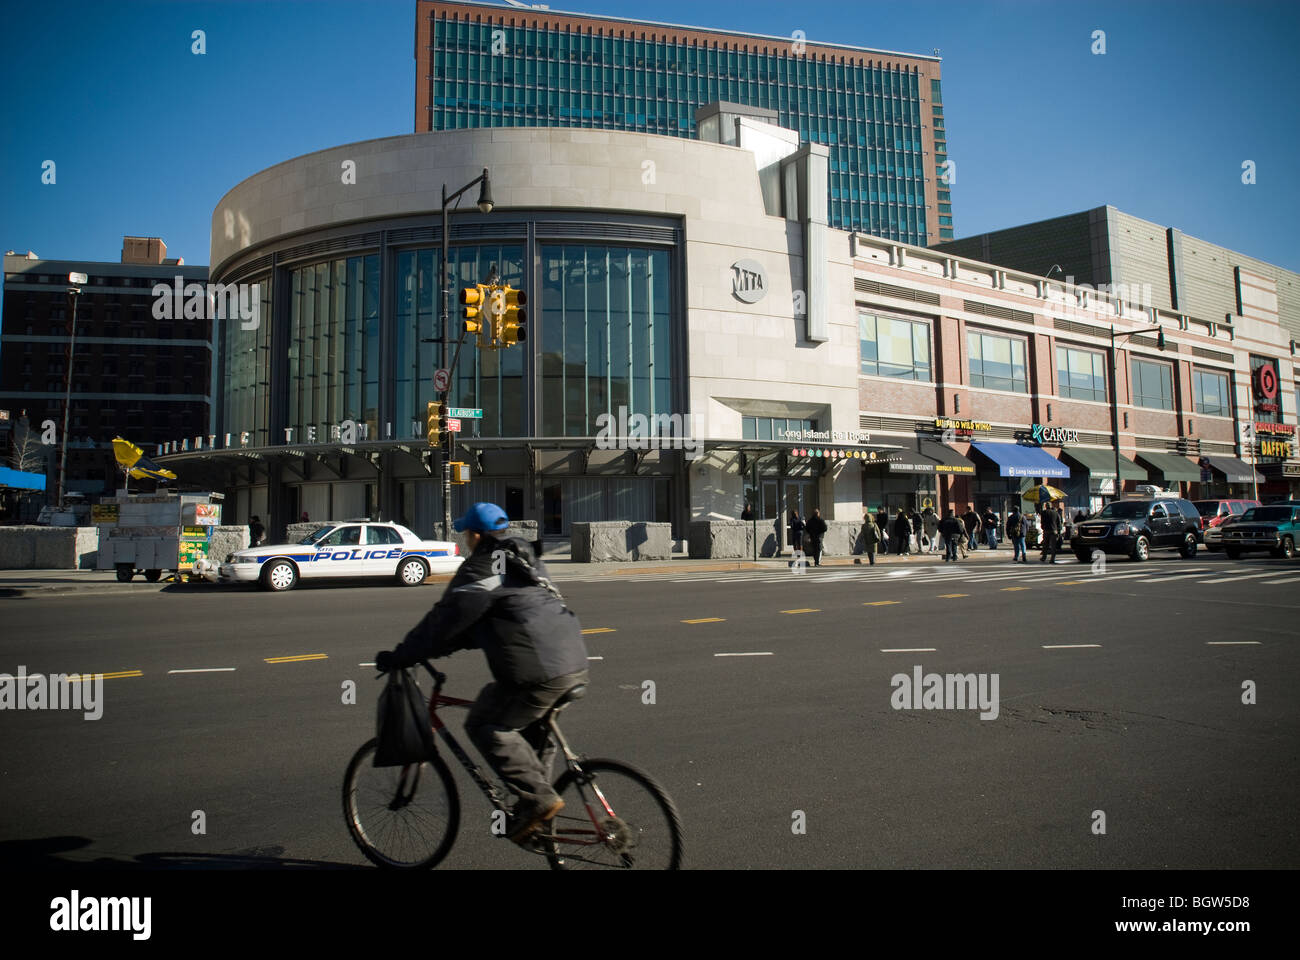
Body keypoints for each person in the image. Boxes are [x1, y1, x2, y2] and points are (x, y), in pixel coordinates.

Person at [374, 502, 589, 844]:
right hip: (573, 661)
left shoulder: (479, 568)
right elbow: (503, 613)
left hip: (538, 670)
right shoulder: (522, 556)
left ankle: (539, 800)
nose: (465, 539)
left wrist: (403, 655)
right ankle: (535, 812)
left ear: (475, 535)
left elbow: (444, 620)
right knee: (533, 727)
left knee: (484, 723)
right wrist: (457, 642)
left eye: (466, 533)